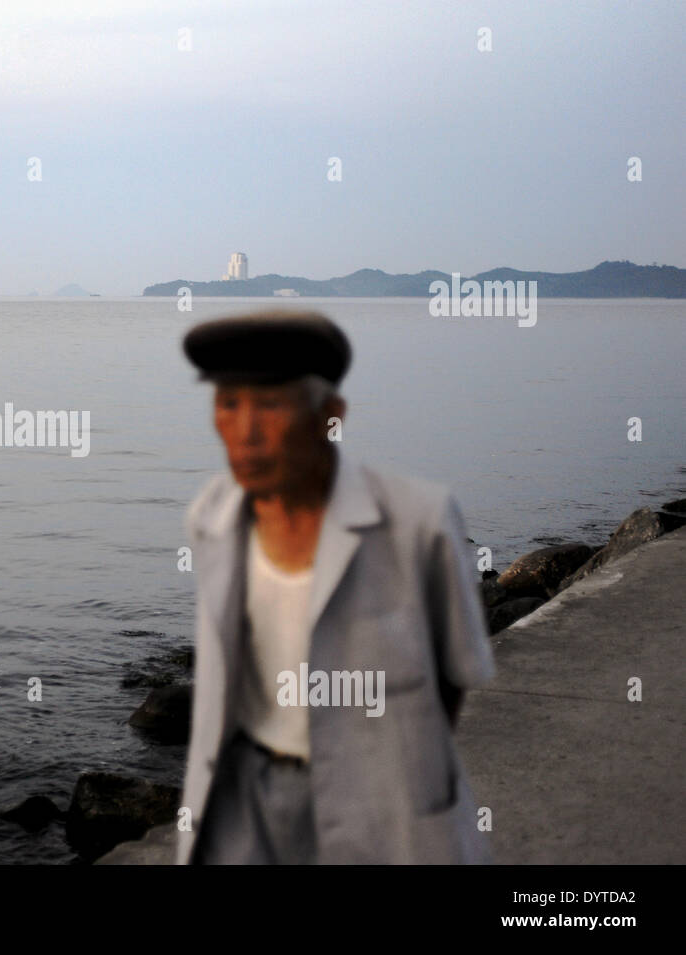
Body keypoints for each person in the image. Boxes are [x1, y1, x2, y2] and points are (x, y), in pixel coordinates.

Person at [175, 309, 496, 865]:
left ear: (331, 416)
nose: (245, 431)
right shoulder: (212, 518)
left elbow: (455, 675)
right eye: (228, 404)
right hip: (247, 798)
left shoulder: (418, 522)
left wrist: (401, 773)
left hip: (380, 799)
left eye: (270, 404)